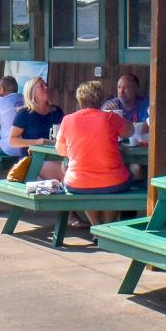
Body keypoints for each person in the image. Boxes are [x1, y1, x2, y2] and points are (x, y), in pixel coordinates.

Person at [56, 80, 132, 231]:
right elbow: (130, 131)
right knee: (126, 180)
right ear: (101, 99)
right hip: (113, 182)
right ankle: (106, 228)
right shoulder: (110, 118)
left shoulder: (67, 120)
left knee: (78, 180)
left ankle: (97, 227)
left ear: (79, 100)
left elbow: (61, 150)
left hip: (78, 183)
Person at [6, 76, 64, 164]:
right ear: (31, 92)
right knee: (65, 172)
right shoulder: (24, 114)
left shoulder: (57, 111)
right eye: (41, 86)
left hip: (56, 157)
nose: (46, 88)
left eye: (46, 85)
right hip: (32, 160)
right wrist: (36, 142)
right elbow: (12, 141)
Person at [0, 75, 25, 158]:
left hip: (9, 147)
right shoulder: (24, 98)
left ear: (1, 89)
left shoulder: (0, 101)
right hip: (26, 146)